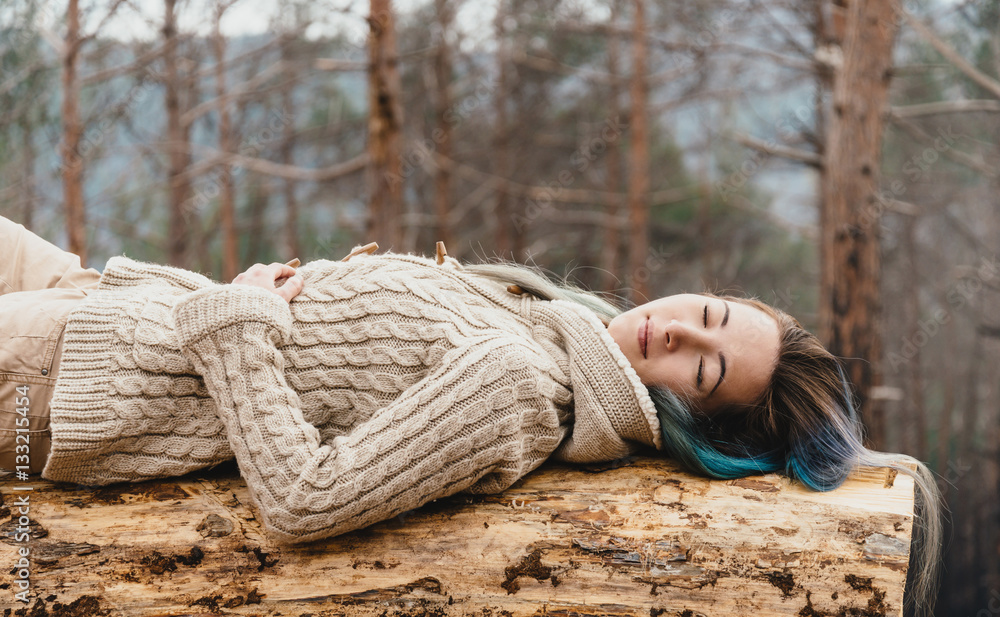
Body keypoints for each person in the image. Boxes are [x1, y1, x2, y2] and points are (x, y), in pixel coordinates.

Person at [0, 215, 940, 613]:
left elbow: (304, 497)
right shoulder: (547, 322)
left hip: (79, 374)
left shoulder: (529, 392)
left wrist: (237, 318)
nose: (678, 337)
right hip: (106, 300)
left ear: (703, 427)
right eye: (708, 316)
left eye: (706, 372)